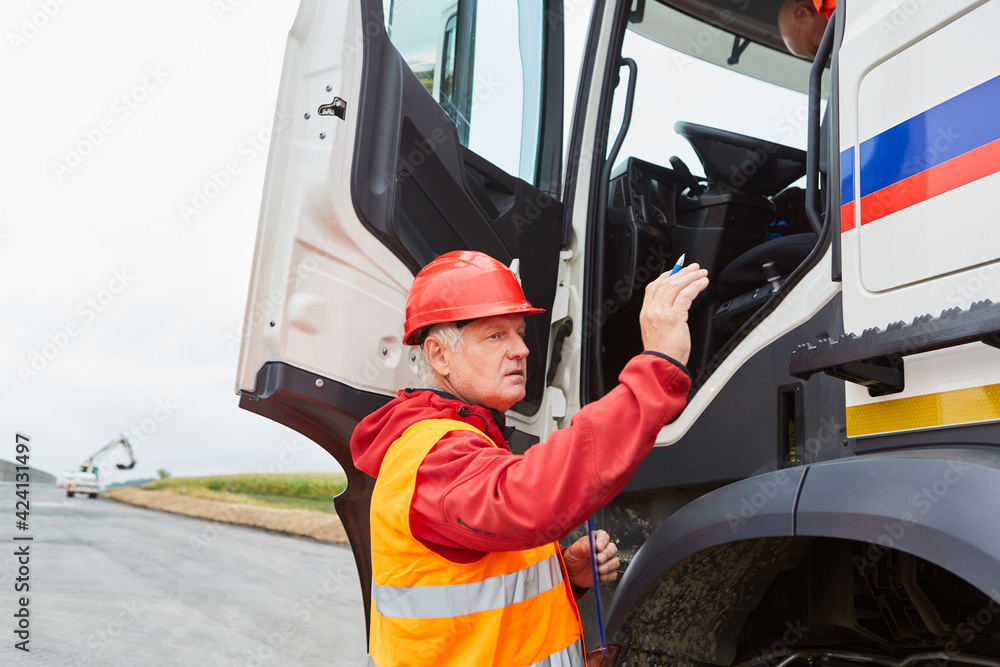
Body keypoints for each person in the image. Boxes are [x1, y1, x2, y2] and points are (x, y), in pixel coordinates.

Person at [350, 250, 709, 666]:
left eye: (519, 333)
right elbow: (527, 503)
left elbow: (483, 599)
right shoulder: (431, 453)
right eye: (495, 335)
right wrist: (658, 366)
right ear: (438, 355)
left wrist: (564, 578)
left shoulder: (472, 440)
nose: (521, 349)